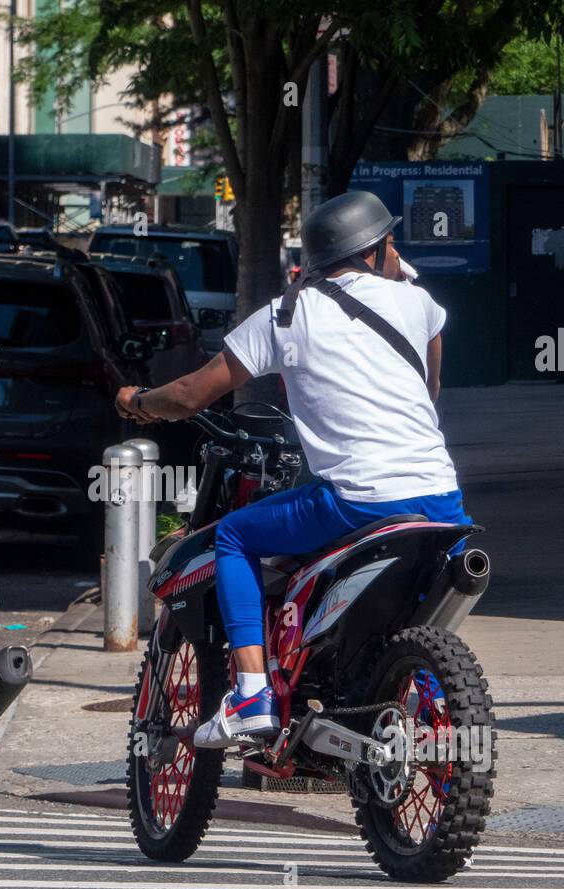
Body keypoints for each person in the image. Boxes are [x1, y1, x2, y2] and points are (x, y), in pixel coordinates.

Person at [114, 190, 468, 748]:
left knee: (232, 535)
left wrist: (138, 401)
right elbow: (431, 389)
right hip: (443, 499)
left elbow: (186, 397)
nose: (396, 250)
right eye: (390, 241)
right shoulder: (419, 304)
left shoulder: (285, 314)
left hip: (358, 500)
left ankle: (252, 693)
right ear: (374, 252)